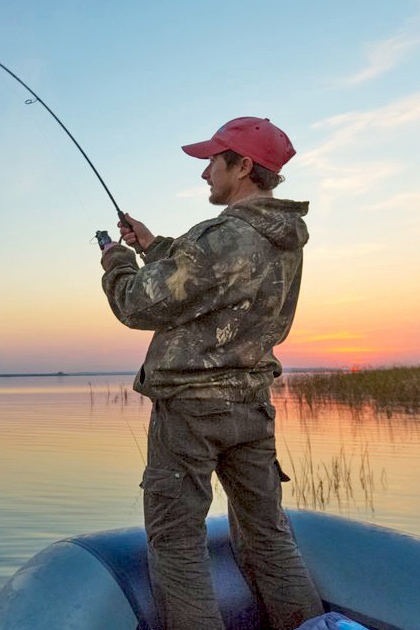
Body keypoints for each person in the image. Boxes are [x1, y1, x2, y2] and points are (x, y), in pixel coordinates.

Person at [99, 117, 325, 630]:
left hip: (193, 413)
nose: (205, 173)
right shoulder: (284, 237)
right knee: (267, 535)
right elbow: (218, 280)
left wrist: (116, 263)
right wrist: (154, 246)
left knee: (176, 543)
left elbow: (139, 304)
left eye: (212, 161)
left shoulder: (221, 235)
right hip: (251, 408)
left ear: (243, 166)